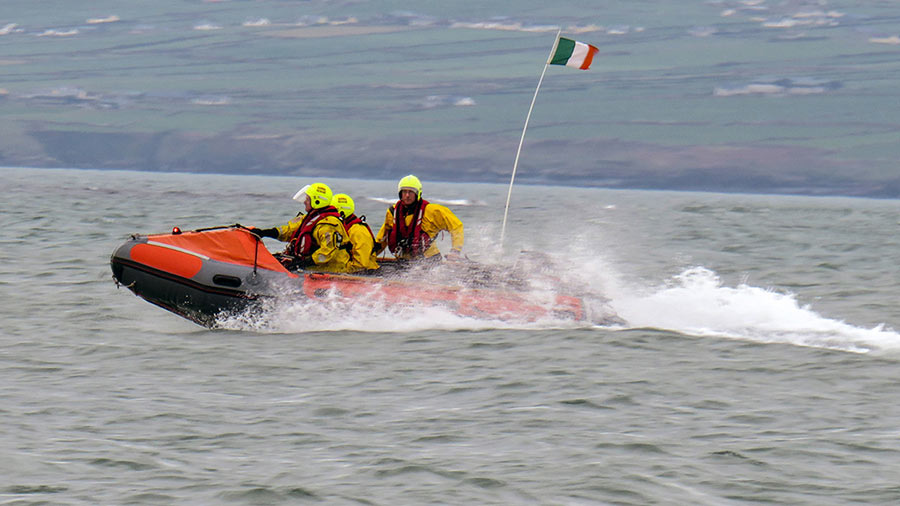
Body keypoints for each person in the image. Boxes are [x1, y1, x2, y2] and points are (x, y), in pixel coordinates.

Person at [249, 183, 350, 273]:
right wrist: (265, 233)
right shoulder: (310, 218)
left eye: (307, 199)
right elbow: (289, 231)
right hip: (311, 266)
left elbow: (326, 252)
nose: (305, 202)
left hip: (328, 270)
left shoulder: (328, 224)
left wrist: (300, 263)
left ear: (317, 201)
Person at [375, 174, 464, 263]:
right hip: (403, 261)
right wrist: (369, 256)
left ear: (417, 193)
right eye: (404, 192)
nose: (407, 195)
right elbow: (381, 240)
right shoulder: (393, 213)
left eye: (411, 192)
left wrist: (455, 251)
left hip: (430, 260)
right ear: (400, 193)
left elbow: (456, 227)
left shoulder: (432, 211)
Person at [332, 193, 379, 273]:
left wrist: (341, 271)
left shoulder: (358, 231)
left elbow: (361, 264)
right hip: (352, 270)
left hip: (367, 273)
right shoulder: (344, 227)